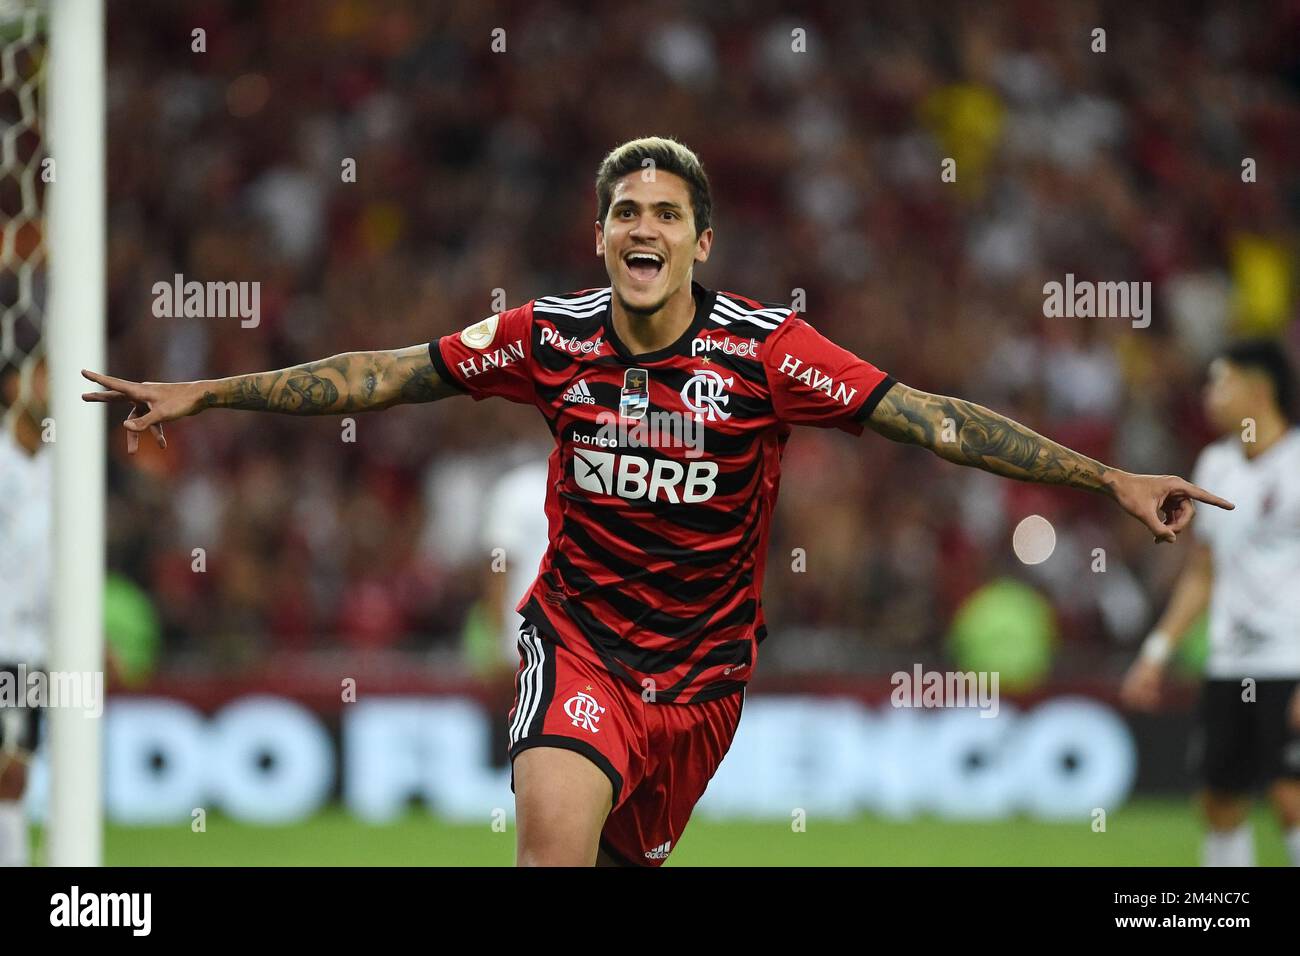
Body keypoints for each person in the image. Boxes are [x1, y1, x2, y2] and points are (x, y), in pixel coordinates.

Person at [84, 136, 1232, 867]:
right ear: (599, 234)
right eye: (624, 210)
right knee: (550, 843)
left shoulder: (768, 353)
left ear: (699, 241)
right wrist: (211, 391)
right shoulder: (550, 335)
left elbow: (932, 418)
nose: (643, 226)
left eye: (665, 212)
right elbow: (386, 372)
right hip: (577, 642)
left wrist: (1108, 476)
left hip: (702, 676)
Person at [1122, 339, 1300, 866]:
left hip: (1291, 662)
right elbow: (1202, 572)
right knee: (1218, 801)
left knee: (1292, 799)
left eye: (1219, 382)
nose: (1208, 395)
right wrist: (1157, 651)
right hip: (1229, 664)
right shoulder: (1215, 464)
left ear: (1259, 388)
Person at [0, 356, 52, 867]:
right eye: (46, 376)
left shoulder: (61, 469)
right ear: (16, 384)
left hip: (41, 649)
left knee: (24, 774)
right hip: (4, 645)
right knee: (10, 775)